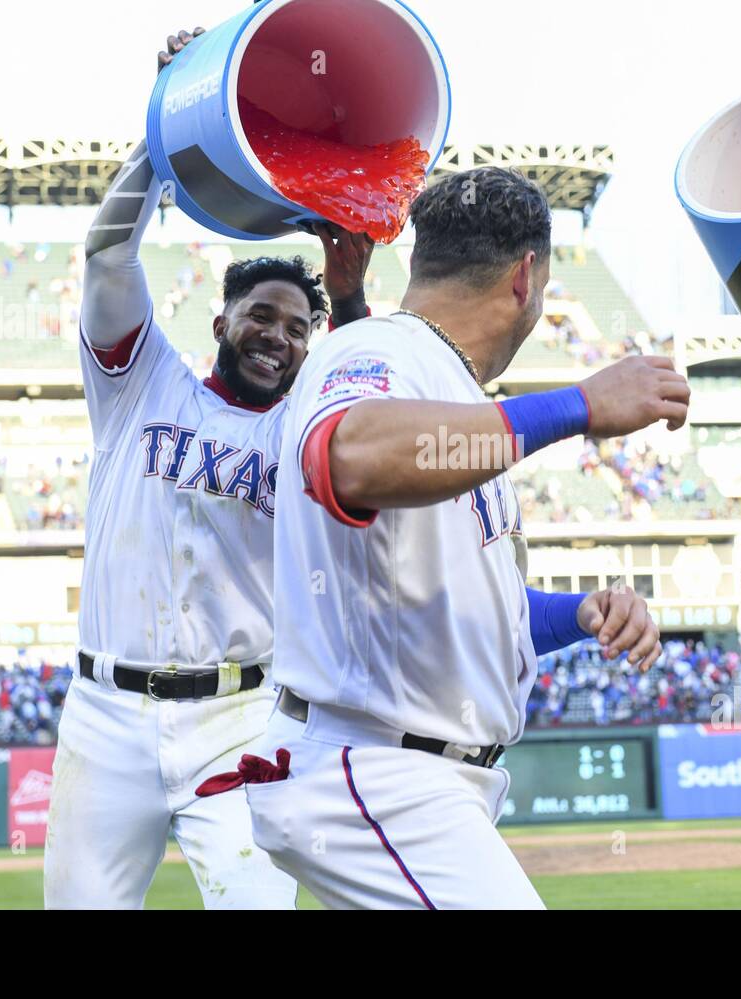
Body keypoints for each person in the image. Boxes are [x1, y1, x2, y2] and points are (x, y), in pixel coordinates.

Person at [197, 166, 690, 908]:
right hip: (377, 776)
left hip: (412, 776)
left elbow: (458, 597)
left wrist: (579, 613)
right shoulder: (385, 351)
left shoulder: (448, 388)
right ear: (527, 277)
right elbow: (349, 455)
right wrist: (580, 404)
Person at [43, 27, 375, 910]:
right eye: (263, 314)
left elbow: (377, 416)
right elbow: (108, 251)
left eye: (300, 327)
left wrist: (346, 297)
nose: (280, 334)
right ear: (222, 320)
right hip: (108, 712)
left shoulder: (305, 431)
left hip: (237, 719)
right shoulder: (139, 381)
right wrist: (163, 131)